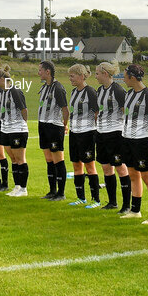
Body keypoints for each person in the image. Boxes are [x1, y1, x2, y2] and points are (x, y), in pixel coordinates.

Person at [120, 64, 148, 224]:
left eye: (125, 76)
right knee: (133, 174)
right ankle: (135, 210)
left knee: (147, 176)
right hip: (128, 139)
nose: (123, 79)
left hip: (142, 141)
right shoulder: (129, 94)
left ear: (132, 77)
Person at [94, 62, 130, 213]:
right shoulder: (99, 90)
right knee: (105, 167)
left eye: (97, 73)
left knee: (120, 168)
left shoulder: (118, 90)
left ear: (106, 74)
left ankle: (127, 205)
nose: (95, 76)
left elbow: (125, 112)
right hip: (101, 133)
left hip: (115, 133)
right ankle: (112, 202)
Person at [66, 64, 100, 207]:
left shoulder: (90, 92)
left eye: (72, 76)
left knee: (90, 166)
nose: (70, 79)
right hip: (74, 133)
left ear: (81, 76)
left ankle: (96, 200)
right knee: (76, 165)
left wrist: (93, 127)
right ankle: (81, 198)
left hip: (87, 134)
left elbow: (97, 112)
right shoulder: (74, 92)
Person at [36, 60, 70, 201]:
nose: (38, 73)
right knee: (49, 159)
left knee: (58, 160)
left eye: (40, 70)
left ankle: (61, 193)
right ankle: (52, 191)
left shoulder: (58, 88)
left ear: (47, 72)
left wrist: (64, 124)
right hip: (43, 125)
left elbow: (65, 109)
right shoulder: (44, 87)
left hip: (54, 127)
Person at [0, 68, 30, 197]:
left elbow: (24, 109)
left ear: (1, 79)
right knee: (13, 159)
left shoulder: (15, 91)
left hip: (17, 129)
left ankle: (23, 188)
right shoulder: (2, 92)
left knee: (20, 159)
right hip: (5, 129)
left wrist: (22, 124)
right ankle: (17, 186)